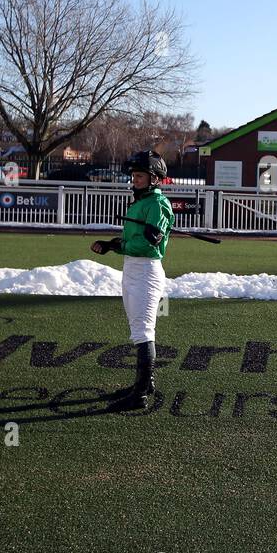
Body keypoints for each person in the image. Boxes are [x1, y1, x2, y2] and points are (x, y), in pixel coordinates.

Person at [90, 150, 174, 408]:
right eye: (134, 175)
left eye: (140, 176)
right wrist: (111, 245)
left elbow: (149, 247)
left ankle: (139, 396)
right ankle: (144, 384)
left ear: (155, 178)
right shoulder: (140, 202)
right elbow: (133, 241)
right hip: (132, 270)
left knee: (143, 332)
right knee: (137, 329)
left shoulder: (157, 204)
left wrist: (151, 236)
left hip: (146, 273)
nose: (135, 179)